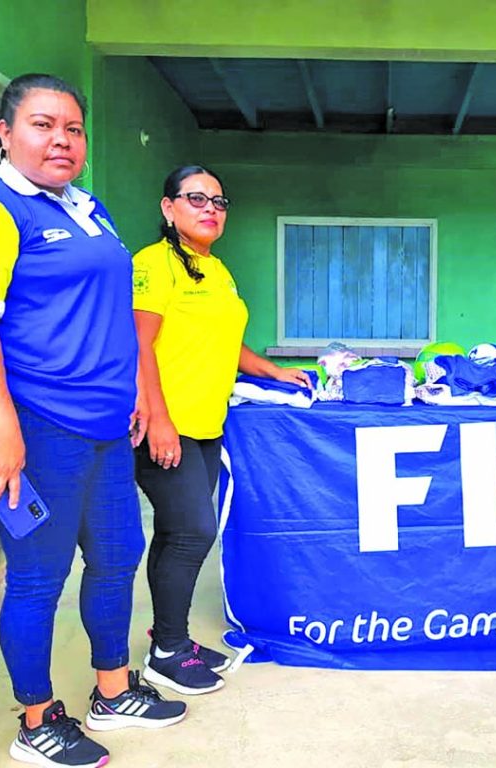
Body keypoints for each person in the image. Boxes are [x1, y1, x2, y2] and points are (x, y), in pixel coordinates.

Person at [0, 74, 186, 768]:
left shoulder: (85, 206)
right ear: (4, 132)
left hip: (101, 421)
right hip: (28, 421)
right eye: (42, 125)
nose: (61, 140)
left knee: (118, 555)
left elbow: (108, 313)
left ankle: (113, 690)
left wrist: (135, 390)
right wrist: (0, 431)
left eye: (73, 128)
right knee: (39, 576)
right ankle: (37, 722)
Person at [133, 165, 310, 695]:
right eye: (196, 198)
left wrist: (272, 370)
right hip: (168, 425)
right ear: (168, 208)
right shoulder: (153, 264)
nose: (210, 209)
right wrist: (159, 420)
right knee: (193, 532)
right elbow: (137, 345)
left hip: (207, 423)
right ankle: (167, 651)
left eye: (218, 201)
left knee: (176, 533)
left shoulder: (217, 271)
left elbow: (225, 343)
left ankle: (171, 637)